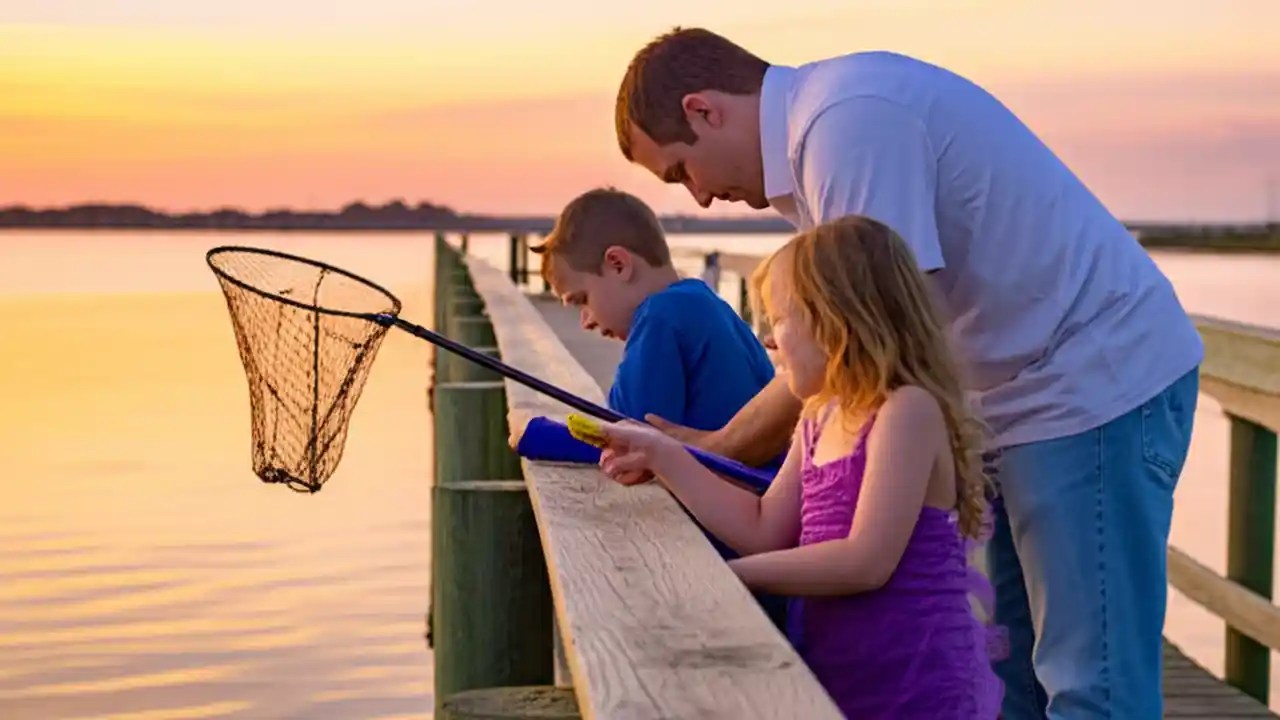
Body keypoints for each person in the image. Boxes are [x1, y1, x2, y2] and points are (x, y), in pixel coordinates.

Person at [613, 27, 1203, 719]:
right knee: (1018, 682)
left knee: (1091, 687)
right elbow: (851, 359)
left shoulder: (845, 127)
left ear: (702, 110)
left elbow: (865, 338)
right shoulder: (819, 141)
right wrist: (694, 454)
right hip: (1014, 400)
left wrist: (715, 449)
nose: (700, 198)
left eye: (682, 171)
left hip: (1090, 385)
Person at [594, 216, 1004, 718]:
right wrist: (664, 456)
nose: (768, 338)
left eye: (780, 318)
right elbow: (764, 526)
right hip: (833, 668)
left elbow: (865, 561)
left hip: (914, 679)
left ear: (837, 320)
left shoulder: (906, 411)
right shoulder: (820, 414)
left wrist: (730, 575)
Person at [529, 186, 788, 626]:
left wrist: (536, 434)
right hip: (759, 515)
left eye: (582, 301)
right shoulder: (705, 302)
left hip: (727, 540)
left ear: (617, 264)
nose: (586, 321)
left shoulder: (660, 317)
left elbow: (625, 438)